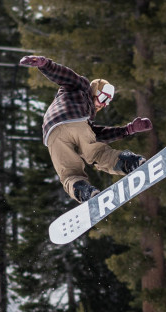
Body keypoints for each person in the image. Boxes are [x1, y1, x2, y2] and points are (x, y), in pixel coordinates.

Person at [19, 55, 152, 202]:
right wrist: (46, 65)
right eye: (103, 98)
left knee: (69, 173)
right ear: (94, 90)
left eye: (108, 101)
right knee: (98, 154)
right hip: (73, 121)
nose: (104, 104)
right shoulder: (82, 87)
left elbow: (97, 134)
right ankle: (130, 162)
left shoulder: (86, 118)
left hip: (52, 134)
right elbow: (65, 75)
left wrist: (127, 129)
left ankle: (84, 191)